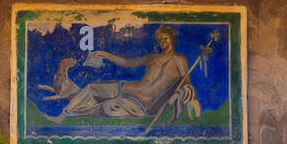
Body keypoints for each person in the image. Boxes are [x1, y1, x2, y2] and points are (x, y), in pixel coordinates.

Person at [57, 26, 192, 119]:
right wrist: (106, 55)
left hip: (143, 103)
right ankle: (62, 116)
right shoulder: (153, 57)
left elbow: (187, 84)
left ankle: (73, 113)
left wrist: (183, 94)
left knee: (107, 108)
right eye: (160, 39)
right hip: (125, 88)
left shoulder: (179, 59)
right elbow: (128, 62)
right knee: (91, 88)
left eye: (165, 38)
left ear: (172, 39)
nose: (163, 41)